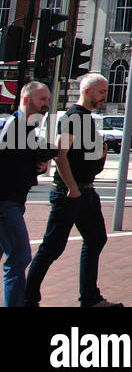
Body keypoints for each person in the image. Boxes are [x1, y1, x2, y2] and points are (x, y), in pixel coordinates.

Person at [24, 74, 122, 307]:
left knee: (96, 239)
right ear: (87, 91)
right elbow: (60, 154)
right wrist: (72, 188)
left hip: (86, 191)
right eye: (101, 92)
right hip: (71, 193)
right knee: (52, 247)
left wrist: (101, 154)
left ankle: (89, 298)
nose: (104, 97)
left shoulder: (87, 119)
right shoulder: (73, 118)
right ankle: (28, 299)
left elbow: (84, 156)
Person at [0, 82, 53, 307]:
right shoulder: (12, 126)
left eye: (47, 100)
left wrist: (38, 164)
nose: (46, 105)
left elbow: (24, 160)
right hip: (5, 202)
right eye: (42, 100)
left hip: (14, 200)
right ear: (26, 99)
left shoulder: (27, 129)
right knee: (20, 256)